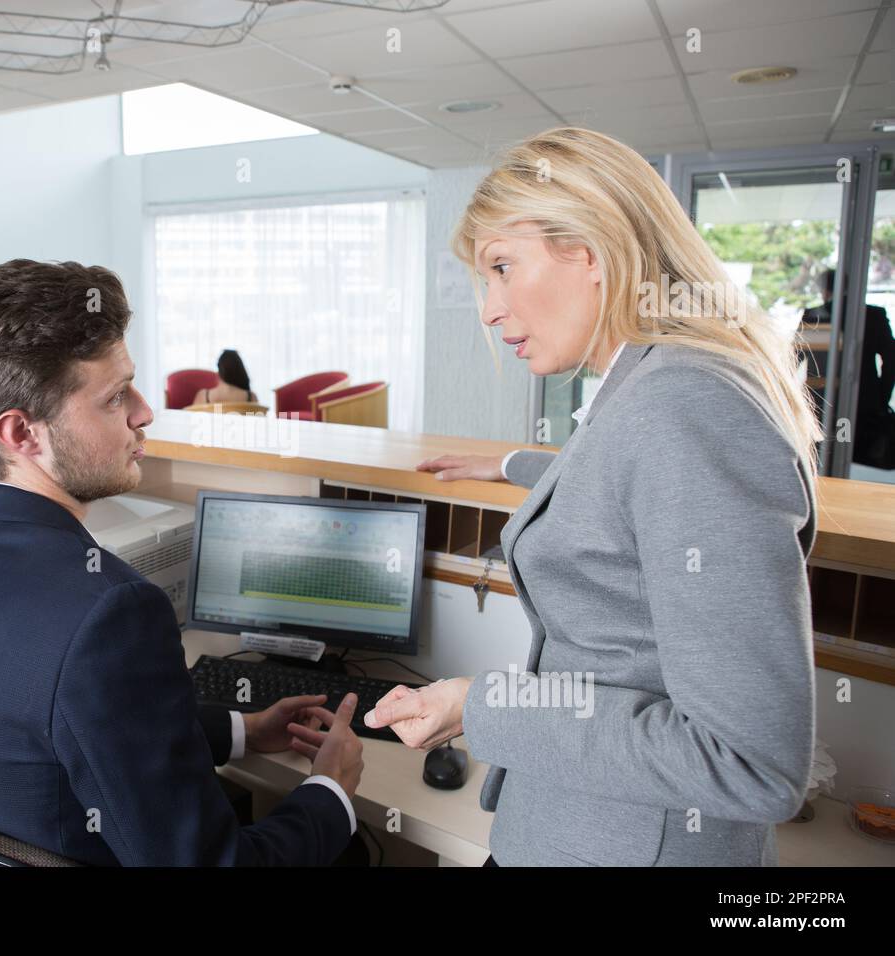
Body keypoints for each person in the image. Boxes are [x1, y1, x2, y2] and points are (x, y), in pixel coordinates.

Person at [375, 128, 820, 866]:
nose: (489, 309)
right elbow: (618, 477)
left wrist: (480, 707)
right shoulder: (650, 382)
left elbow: (750, 762)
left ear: (590, 249)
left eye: (501, 267)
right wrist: (513, 463)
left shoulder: (683, 406)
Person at [0, 259, 362, 866]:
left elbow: (45, 733)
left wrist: (241, 731)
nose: (144, 411)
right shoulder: (112, 612)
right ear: (22, 434)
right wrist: (330, 792)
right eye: (114, 398)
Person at [801, 268, 895, 469]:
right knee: (855, 459)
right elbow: (891, 361)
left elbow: (795, 361)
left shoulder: (814, 315)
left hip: (821, 401)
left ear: (823, 290)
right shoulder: (874, 315)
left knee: (823, 459)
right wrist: (881, 398)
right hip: (863, 402)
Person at [192, 348, 258, 405]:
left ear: (219, 372)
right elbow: (257, 418)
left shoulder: (203, 396)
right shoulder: (251, 398)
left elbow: (192, 418)